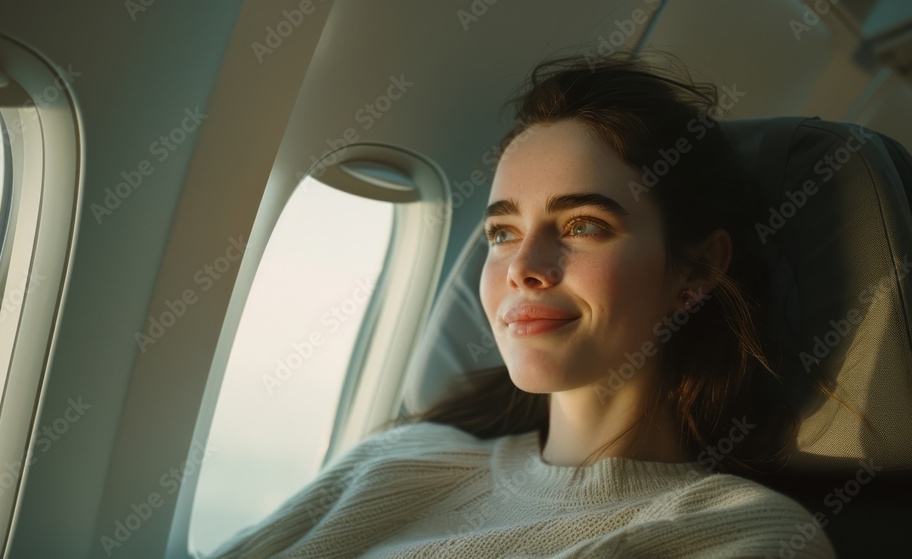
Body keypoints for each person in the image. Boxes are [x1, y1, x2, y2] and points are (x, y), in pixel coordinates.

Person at [208, 53, 837, 559]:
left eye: (584, 224)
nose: (523, 269)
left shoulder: (737, 535)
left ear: (697, 268)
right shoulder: (394, 460)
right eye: (502, 233)